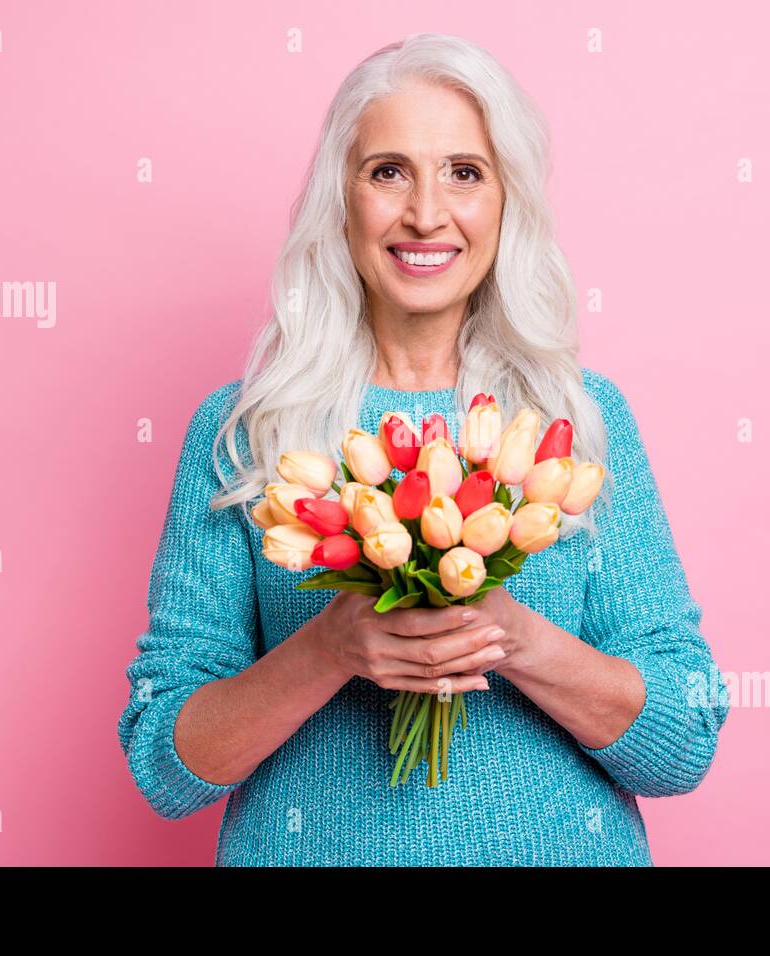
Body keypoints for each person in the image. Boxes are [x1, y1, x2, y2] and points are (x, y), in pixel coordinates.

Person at [118, 32, 730, 866]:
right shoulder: (246, 432)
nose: (426, 213)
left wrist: (513, 636)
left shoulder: (577, 423)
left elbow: (684, 738)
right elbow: (166, 764)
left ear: (507, 202)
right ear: (342, 198)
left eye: (465, 173)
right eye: (389, 171)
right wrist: (331, 647)